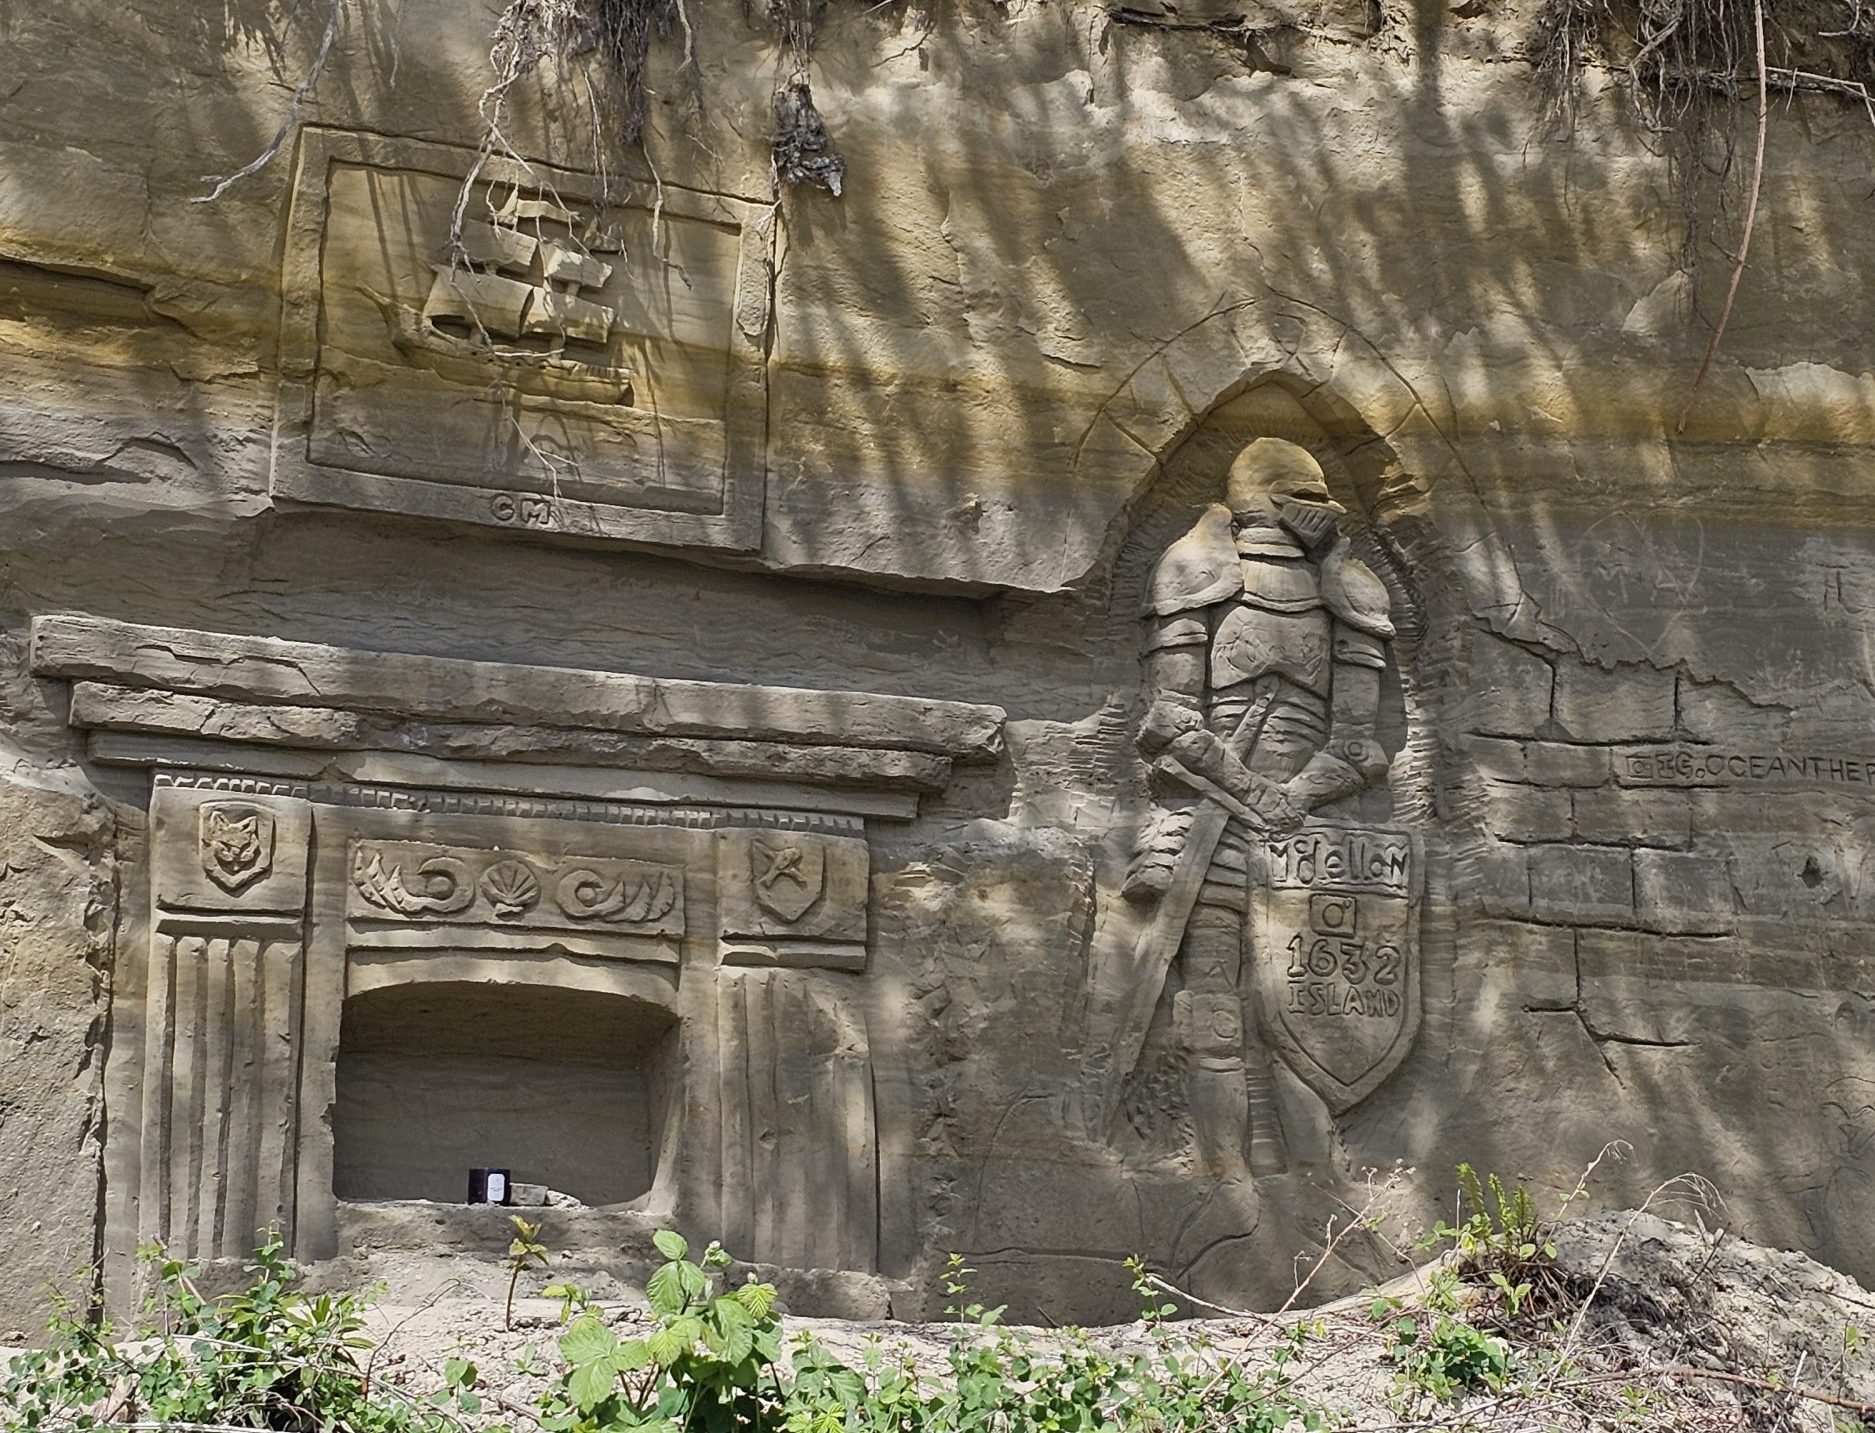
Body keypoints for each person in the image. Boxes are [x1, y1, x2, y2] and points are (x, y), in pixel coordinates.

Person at [1123, 437, 1396, 1177]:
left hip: (1307, 837)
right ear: (1270, 498)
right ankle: (1226, 1181)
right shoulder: (1195, 568)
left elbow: (1359, 745)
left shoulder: (1350, 590)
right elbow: (1170, 721)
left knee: (1300, 1013)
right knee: (1213, 1008)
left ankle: (1306, 1177)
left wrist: (1293, 796)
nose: (1323, 515)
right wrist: (1253, 795)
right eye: (1307, 498)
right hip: (1210, 825)